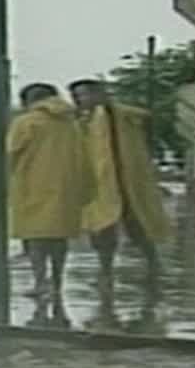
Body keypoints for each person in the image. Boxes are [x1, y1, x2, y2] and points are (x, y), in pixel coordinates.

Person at [69, 78, 172, 312]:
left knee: (139, 227)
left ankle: (154, 266)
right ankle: (105, 272)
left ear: (101, 93)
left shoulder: (123, 116)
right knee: (101, 229)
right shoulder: (80, 122)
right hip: (97, 185)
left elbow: (147, 119)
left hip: (127, 182)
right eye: (78, 97)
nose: (82, 100)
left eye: (86, 95)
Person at [7, 82, 94, 323]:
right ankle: (56, 285)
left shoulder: (26, 123)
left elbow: (11, 153)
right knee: (59, 239)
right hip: (66, 188)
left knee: (36, 240)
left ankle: (40, 282)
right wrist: (87, 189)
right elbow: (84, 157)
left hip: (33, 187)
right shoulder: (71, 124)